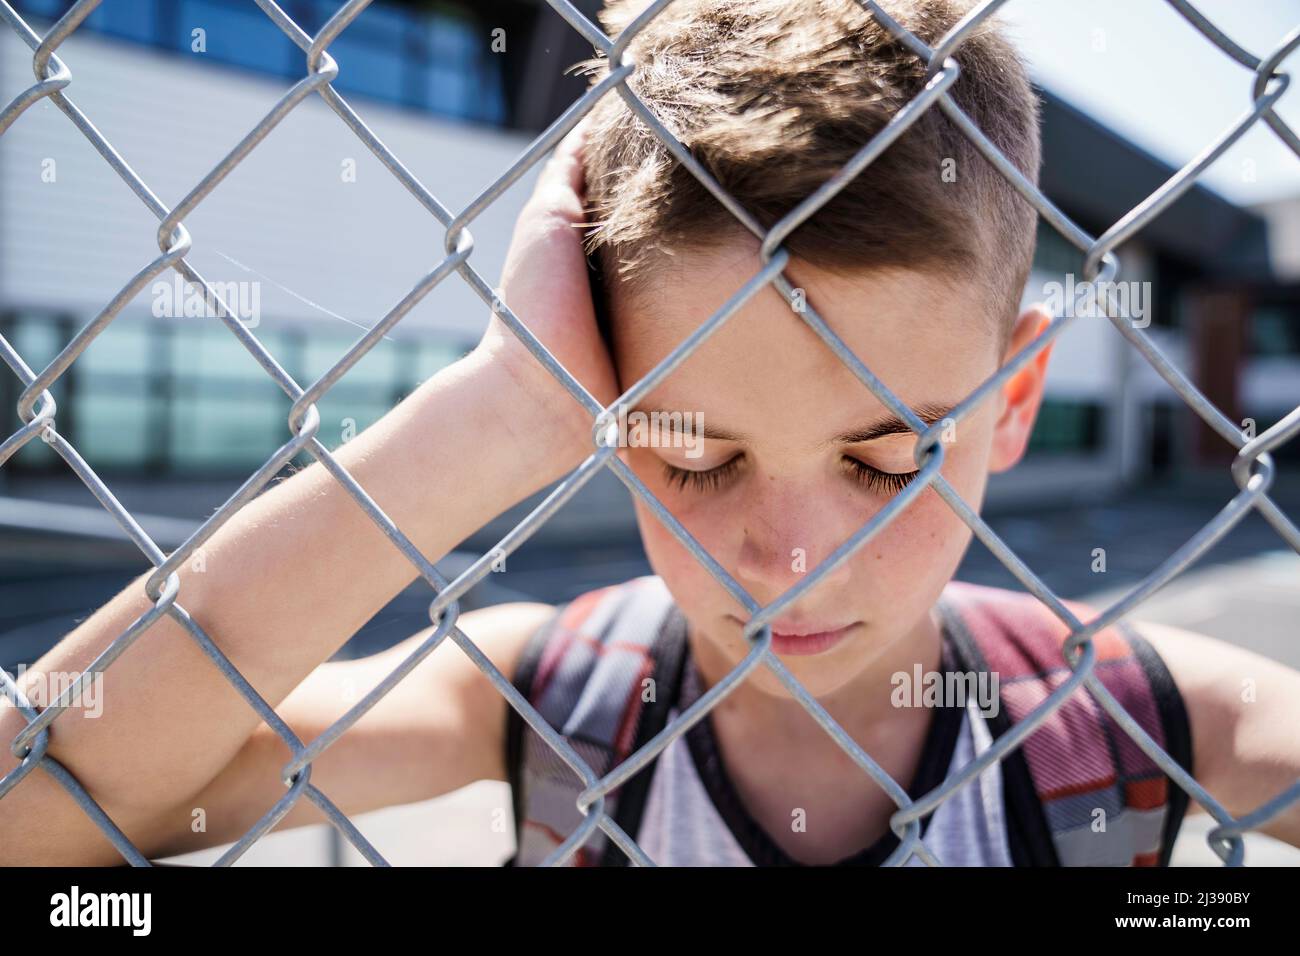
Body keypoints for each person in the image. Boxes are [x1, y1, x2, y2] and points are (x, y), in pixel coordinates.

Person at [2, 0, 1297, 867]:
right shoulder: (564, 706)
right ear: (607, 415)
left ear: (1011, 405)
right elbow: (42, 799)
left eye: (886, 459)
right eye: (693, 453)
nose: (788, 556)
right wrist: (500, 413)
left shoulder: (1127, 729)